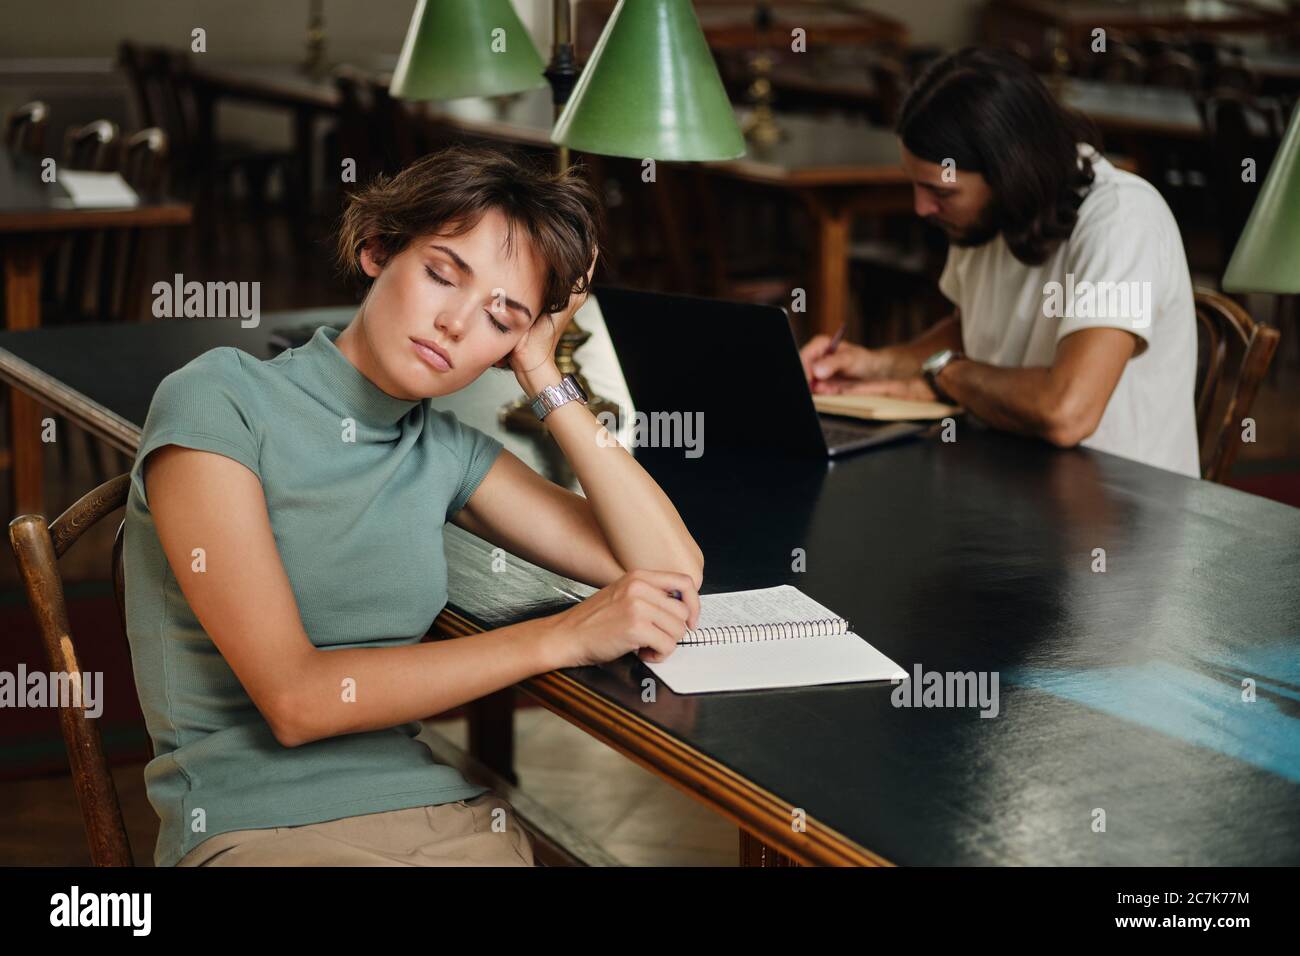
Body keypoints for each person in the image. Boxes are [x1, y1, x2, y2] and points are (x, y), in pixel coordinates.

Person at [124, 146, 704, 867]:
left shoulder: (444, 449)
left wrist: (544, 376)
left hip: (434, 815)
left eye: (502, 316)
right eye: (441, 274)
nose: (457, 324)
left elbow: (672, 569)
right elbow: (298, 701)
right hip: (250, 827)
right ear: (377, 249)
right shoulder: (221, 401)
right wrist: (563, 636)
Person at [800, 47, 1201, 478]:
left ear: (1010, 171)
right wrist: (873, 363)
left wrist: (945, 376)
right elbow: (972, 331)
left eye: (942, 192)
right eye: (916, 186)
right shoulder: (986, 214)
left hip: (1127, 513)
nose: (921, 208)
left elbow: (1066, 411)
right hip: (1015, 479)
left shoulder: (1122, 220)